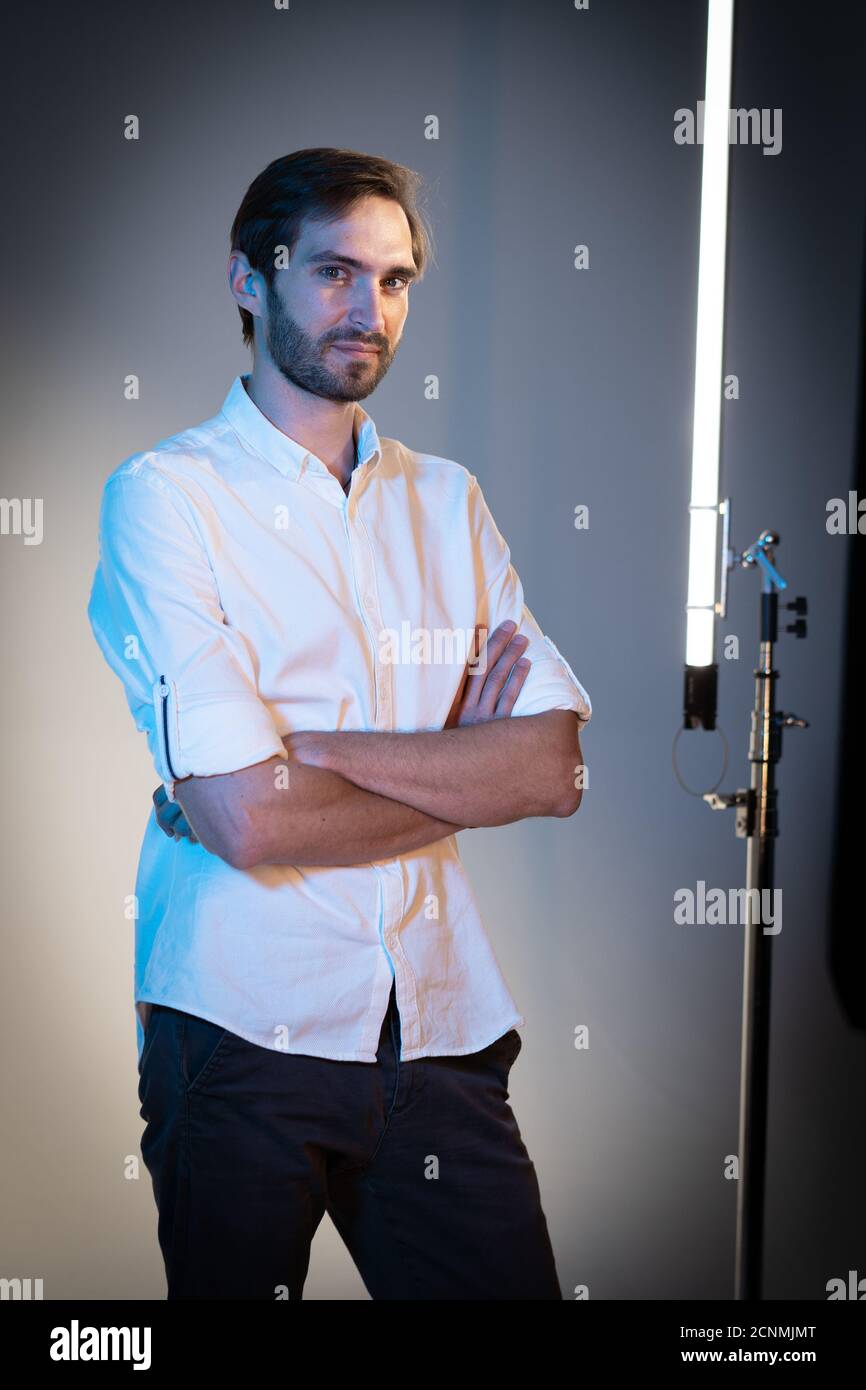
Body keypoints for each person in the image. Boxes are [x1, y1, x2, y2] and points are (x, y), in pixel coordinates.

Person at [87, 147, 592, 1300]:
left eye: (396, 279)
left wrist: (310, 751)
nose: (369, 310)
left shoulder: (446, 499)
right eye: (332, 272)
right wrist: (458, 762)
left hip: (441, 1027)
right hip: (240, 1032)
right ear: (246, 280)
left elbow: (551, 767)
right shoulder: (166, 496)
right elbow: (246, 825)